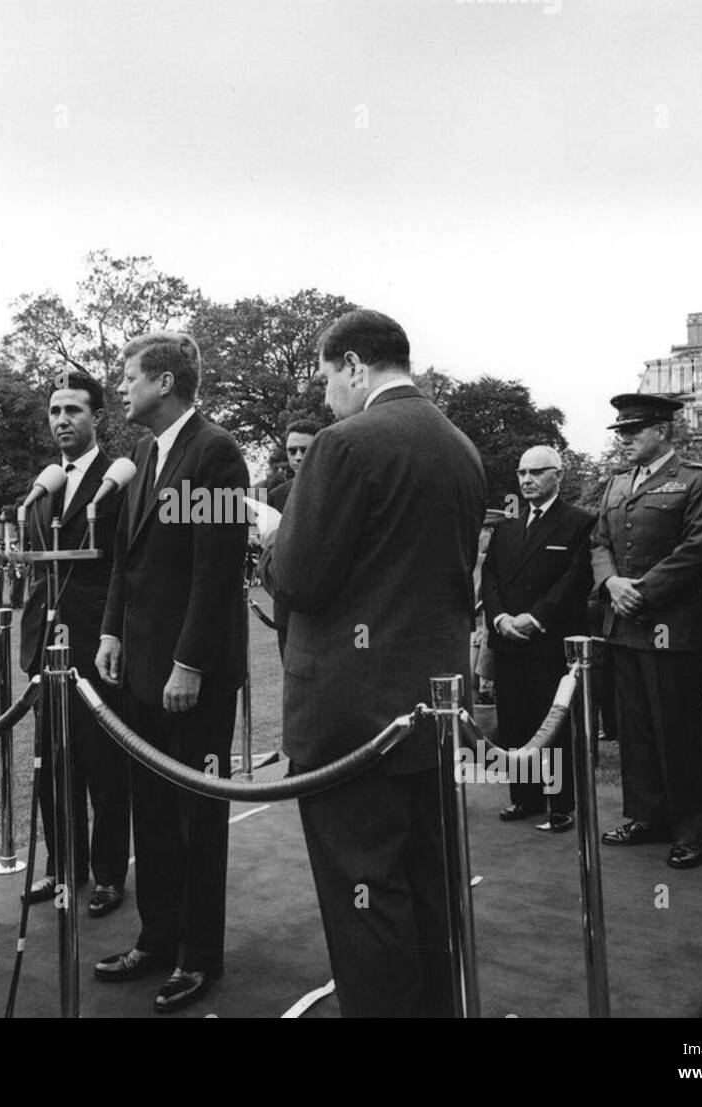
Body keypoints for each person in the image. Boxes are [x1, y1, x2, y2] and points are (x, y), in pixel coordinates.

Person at [260, 308, 486, 1018]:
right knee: (425, 887)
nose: (327, 394)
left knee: (364, 897)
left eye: (328, 377)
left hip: (351, 716)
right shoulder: (460, 446)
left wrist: (272, 535)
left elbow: (298, 578)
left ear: (355, 366)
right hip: (430, 709)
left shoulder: (344, 444)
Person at [94, 330, 249, 1013]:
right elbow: (127, 561)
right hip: (139, 671)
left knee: (196, 816)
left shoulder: (216, 452)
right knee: (153, 812)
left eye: (128, 377)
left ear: (162, 381)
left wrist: (188, 663)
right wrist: (108, 632)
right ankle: (157, 938)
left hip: (194, 676)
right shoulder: (143, 453)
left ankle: (197, 957)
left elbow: (216, 573)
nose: (120, 388)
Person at [591, 393, 702, 869]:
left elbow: (700, 547)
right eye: (620, 431)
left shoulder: (698, 481)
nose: (624, 439)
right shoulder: (616, 484)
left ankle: (689, 829)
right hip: (623, 626)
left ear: (663, 431)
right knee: (635, 729)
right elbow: (600, 541)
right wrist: (610, 582)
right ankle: (645, 815)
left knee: (678, 730)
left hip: (670, 625)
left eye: (634, 431)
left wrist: (641, 591)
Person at [20, 370, 131, 920]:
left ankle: (110, 875)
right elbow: (40, 575)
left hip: (97, 646)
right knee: (52, 764)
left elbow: (122, 570)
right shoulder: (45, 484)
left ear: (96, 418)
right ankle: (64, 867)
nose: (62, 420)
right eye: (55, 411)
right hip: (48, 648)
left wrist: (114, 633)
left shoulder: (118, 479)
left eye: (74, 411)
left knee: (106, 768)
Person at [479, 445, 594, 831]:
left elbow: (575, 581)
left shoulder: (580, 522)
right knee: (514, 724)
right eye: (522, 473)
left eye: (536, 472)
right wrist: (499, 619)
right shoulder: (507, 527)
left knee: (554, 727)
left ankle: (560, 804)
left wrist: (535, 618)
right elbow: (490, 579)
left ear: (557, 475)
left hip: (550, 643)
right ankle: (523, 798)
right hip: (508, 642)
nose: (527, 480)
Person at [265, 420, 318, 658]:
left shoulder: (337, 489)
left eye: (304, 450)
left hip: (324, 607)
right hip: (285, 606)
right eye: (292, 450)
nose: (297, 457)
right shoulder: (276, 496)